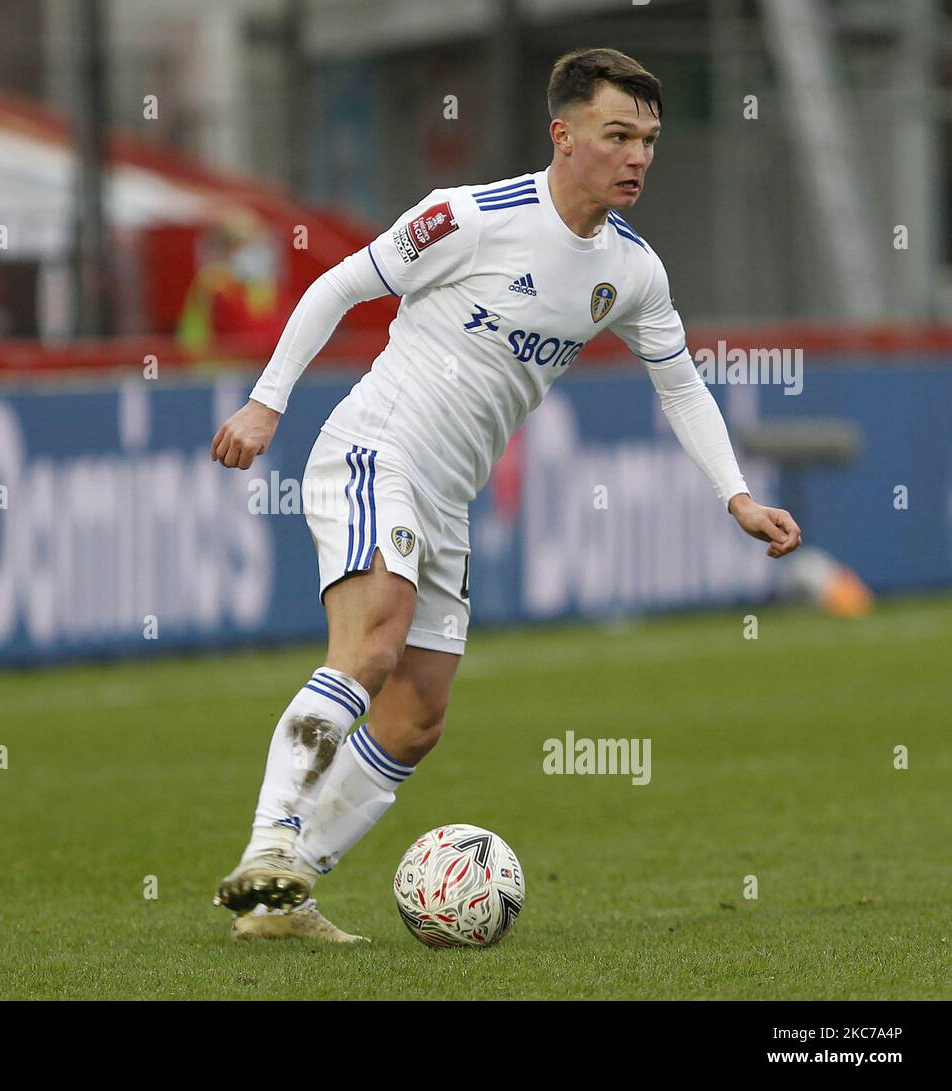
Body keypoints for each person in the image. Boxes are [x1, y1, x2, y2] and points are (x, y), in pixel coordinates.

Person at [209, 47, 802, 943]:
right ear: (564, 137)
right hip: (377, 451)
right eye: (618, 136)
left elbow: (681, 384)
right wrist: (265, 402)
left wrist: (736, 496)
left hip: (448, 496)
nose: (638, 156)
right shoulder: (469, 218)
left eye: (648, 139)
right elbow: (339, 285)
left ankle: (287, 900)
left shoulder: (633, 272)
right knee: (371, 638)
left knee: (415, 718)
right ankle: (269, 847)